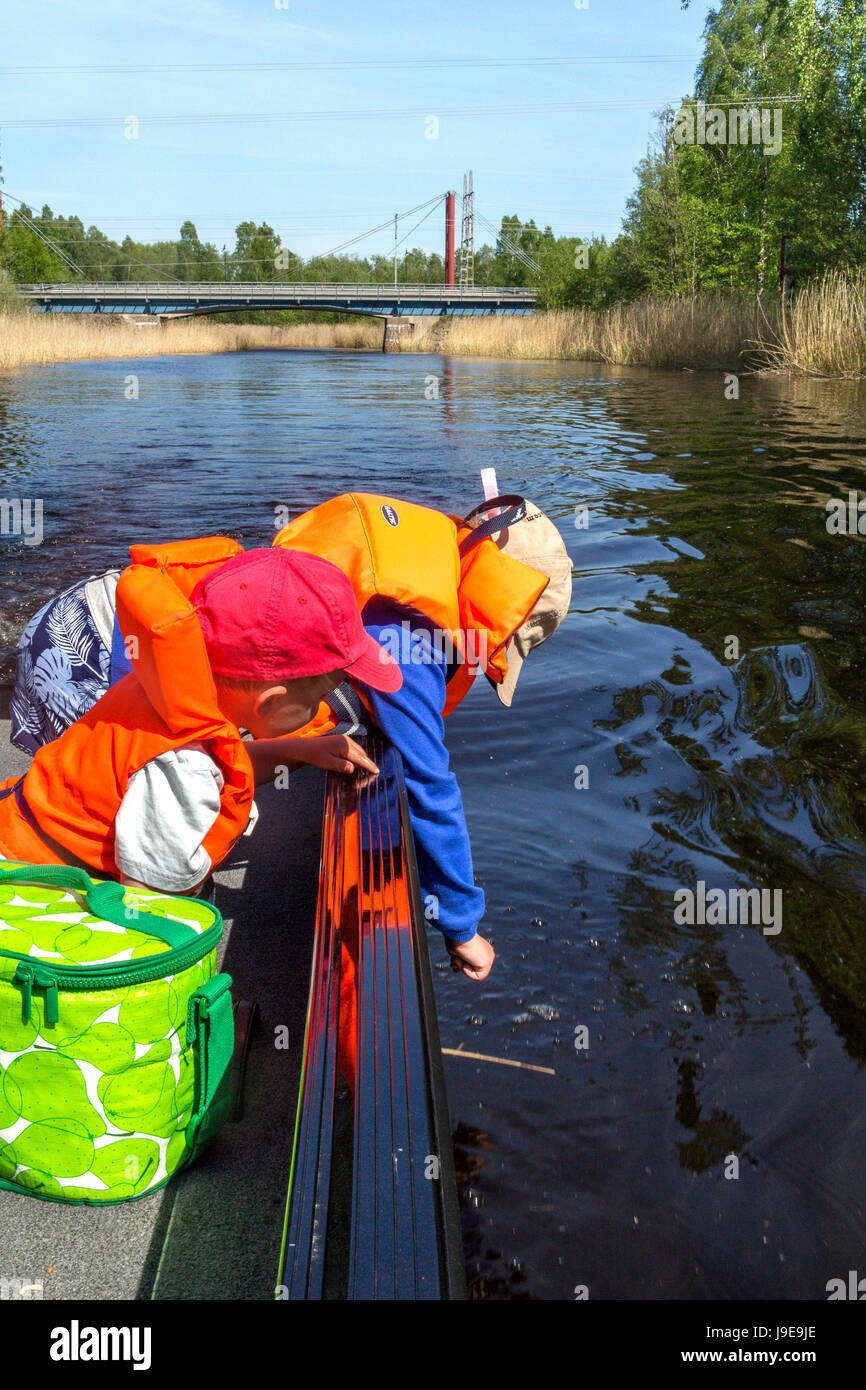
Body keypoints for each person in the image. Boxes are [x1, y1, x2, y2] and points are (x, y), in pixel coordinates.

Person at [272, 492, 573, 983]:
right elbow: (428, 784)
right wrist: (461, 928)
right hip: (114, 662)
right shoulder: (412, 637)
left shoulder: (416, 569)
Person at [0, 539, 401, 898]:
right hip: (33, 887)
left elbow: (225, 762)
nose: (323, 709)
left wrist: (302, 749)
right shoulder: (185, 768)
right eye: (320, 697)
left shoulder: (162, 686)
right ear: (268, 703)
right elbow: (147, 896)